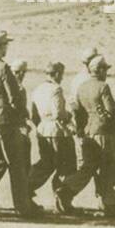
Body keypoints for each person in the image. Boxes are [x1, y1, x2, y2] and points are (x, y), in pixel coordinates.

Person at [0, 30, 41, 218]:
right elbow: (15, 99)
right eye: (6, 45)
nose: (7, 48)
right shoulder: (3, 69)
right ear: (1, 46)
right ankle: (23, 207)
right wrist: (21, 118)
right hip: (6, 122)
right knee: (17, 165)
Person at [66, 55, 115, 215]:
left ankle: (67, 189)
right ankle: (110, 204)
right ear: (101, 70)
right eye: (105, 69)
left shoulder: (82, 87)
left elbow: (78, 110)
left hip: (88, 132)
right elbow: (111, 110)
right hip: (105, 132)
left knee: (89, 167)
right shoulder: (103, 87)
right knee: (110, 169)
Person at [28, 61, 76, 212]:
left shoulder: (38, 89)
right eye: (61, 74)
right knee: (66, 165)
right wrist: (69, 116)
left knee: (46, 164)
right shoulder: (56, 89)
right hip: (58, 132)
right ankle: (62, 200)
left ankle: (26, 187)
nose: (61, 77)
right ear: (56, 74)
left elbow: (33, 114)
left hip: (43, 129)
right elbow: (59, 114)